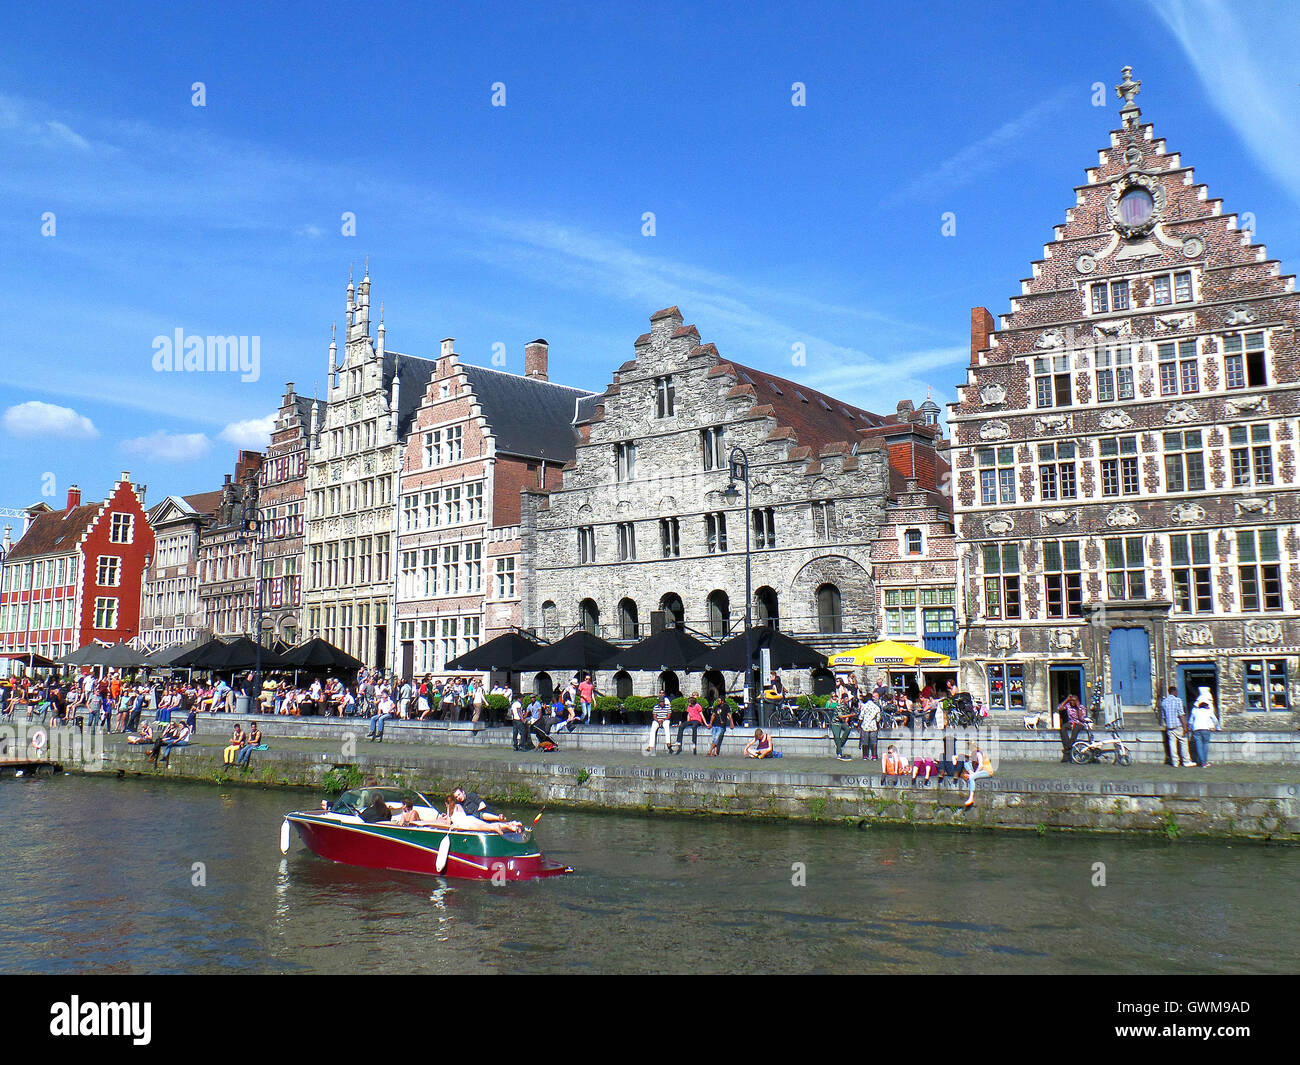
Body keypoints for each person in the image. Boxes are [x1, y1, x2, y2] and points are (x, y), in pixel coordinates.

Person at [1157, 685, 1189, 767]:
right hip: (1178, 725)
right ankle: (1186, 760)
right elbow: (1181, 714)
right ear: (1174, 692)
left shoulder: (1164, 702)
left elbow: (1163, 716)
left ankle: (1175, 762)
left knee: (1172, 744)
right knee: (1183, 742)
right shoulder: (1178, 700)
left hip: (1169, 726)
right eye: (1176, 691)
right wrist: (1185, 726)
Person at [1188, 687, 1218, 768]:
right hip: (1205, 729)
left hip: (1196, 729)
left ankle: (1202, 762)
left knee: (1199, 746)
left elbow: (1190, 721)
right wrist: (1217, 727)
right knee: (1205, 745)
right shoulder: (1208, 711)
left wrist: (1189, 727)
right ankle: (1205, 762)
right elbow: (1215, 719)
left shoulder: (1195, 711)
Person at [1057, 693, 1085, 762]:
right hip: (1071, 722)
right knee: (1063, 728)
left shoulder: (1082, 707)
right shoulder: (1068, 706)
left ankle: (1068, 747)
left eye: (1073, 700)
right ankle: (1067, 747)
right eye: (1071, 700)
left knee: (1075, 730)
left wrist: (1078, 708)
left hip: (1079, 723)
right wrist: (1067, 699)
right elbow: (1059, 708)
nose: (1072, 702)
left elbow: (1081, 718)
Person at [828, 694, 856, 761]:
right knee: (837, 737)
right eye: (846, 699)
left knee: (848, 729)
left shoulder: (846, 706)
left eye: (847, 699)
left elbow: (846, 715)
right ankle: (839, 753)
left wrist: (846, 721)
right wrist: (850, 715)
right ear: (843, 699)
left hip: (842, 723)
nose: (847, 700)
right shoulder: (839, 706)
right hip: (836, 723)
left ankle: (839, 745)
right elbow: (841, 716)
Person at [859, 693, 881, 761]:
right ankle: (874, 756)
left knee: (864, 742)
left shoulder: (864, 706)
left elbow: (861, 717)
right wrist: (877, 725)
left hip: (865, 725)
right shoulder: (876, 707)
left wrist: (859, 725)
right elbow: (878, 718)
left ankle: (865, 756)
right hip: (873, 726)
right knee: (873, 742)